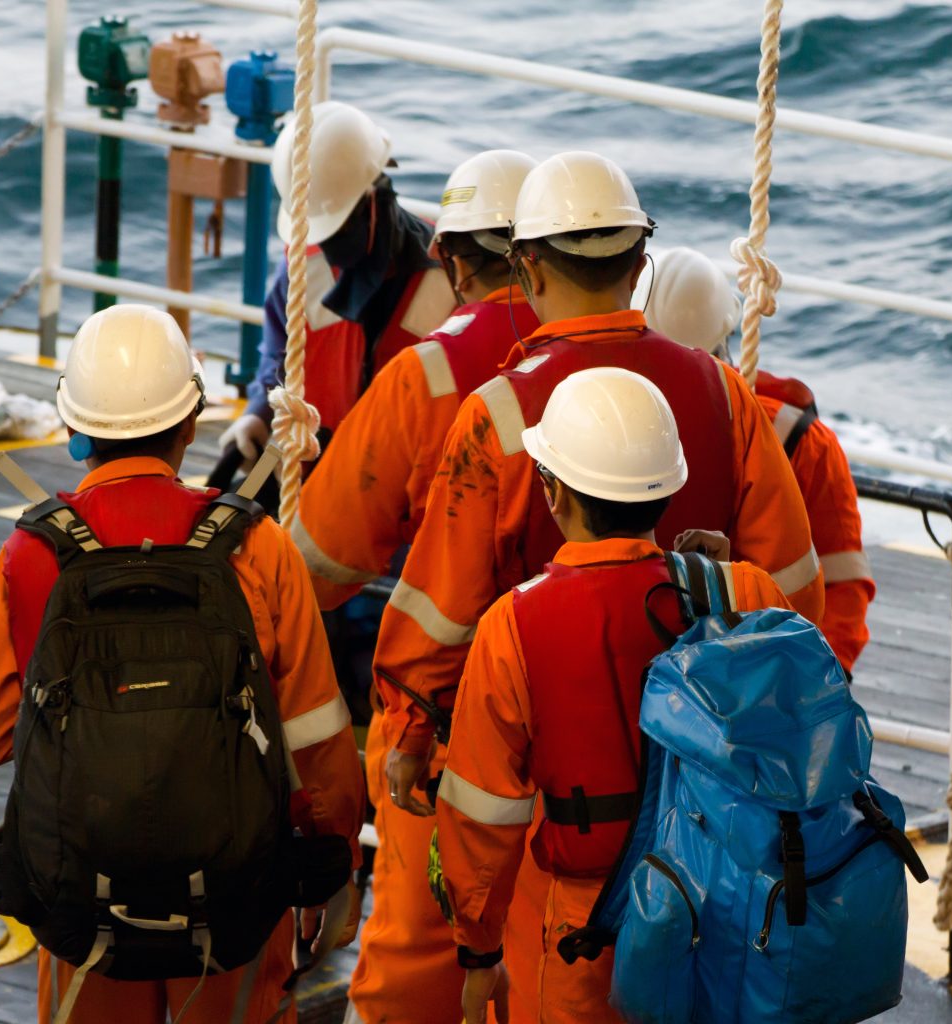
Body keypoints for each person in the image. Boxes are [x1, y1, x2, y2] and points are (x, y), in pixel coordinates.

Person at [368, 151, 823, 1022]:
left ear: (528, 267)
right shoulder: (725, 395)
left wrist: (412, 729)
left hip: (564, 830)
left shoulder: (500, 414)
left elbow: (438, 613)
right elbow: (798, 608)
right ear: (639, 264)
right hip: (709, 819)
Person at [0, 305, 366, 1024]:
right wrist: (335, 873)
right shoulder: (257, 547)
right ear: (191, 419)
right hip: (234, 899)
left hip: (85, 898)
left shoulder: (33, 555)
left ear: (74, 429)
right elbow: (316, 742)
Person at [435, 367, 795, 1023]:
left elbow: (479, 818)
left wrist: (479, 949)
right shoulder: (743, 593)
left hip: (590, 929)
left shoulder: (511, 626)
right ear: (669, 487)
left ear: (552, 490)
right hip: (732, 911)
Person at [291, 148, 543, 1024]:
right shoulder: (672, 374)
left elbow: (316, 563)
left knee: (416, 966)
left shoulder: (431, 376)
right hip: (619, 727)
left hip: (443, 734)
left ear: (453, 256)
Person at [294, 149, 541, 609]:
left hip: (454, 662)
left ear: (453, 262)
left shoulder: (422, 374)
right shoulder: (693, 375)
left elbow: (319, 563)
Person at [640, 245, 874, 671]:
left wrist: (810, 686)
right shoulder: (611, 443)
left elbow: (844, 592)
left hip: (764, 677)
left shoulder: (801, 444)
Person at [216, 101, 455, 484]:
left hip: (408, 499)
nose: (330, 245)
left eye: (338, 228)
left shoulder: (447, 281)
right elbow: (281, 354)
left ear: (374, 197)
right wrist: (257, 412)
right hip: (312, 481)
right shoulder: (301, 270)